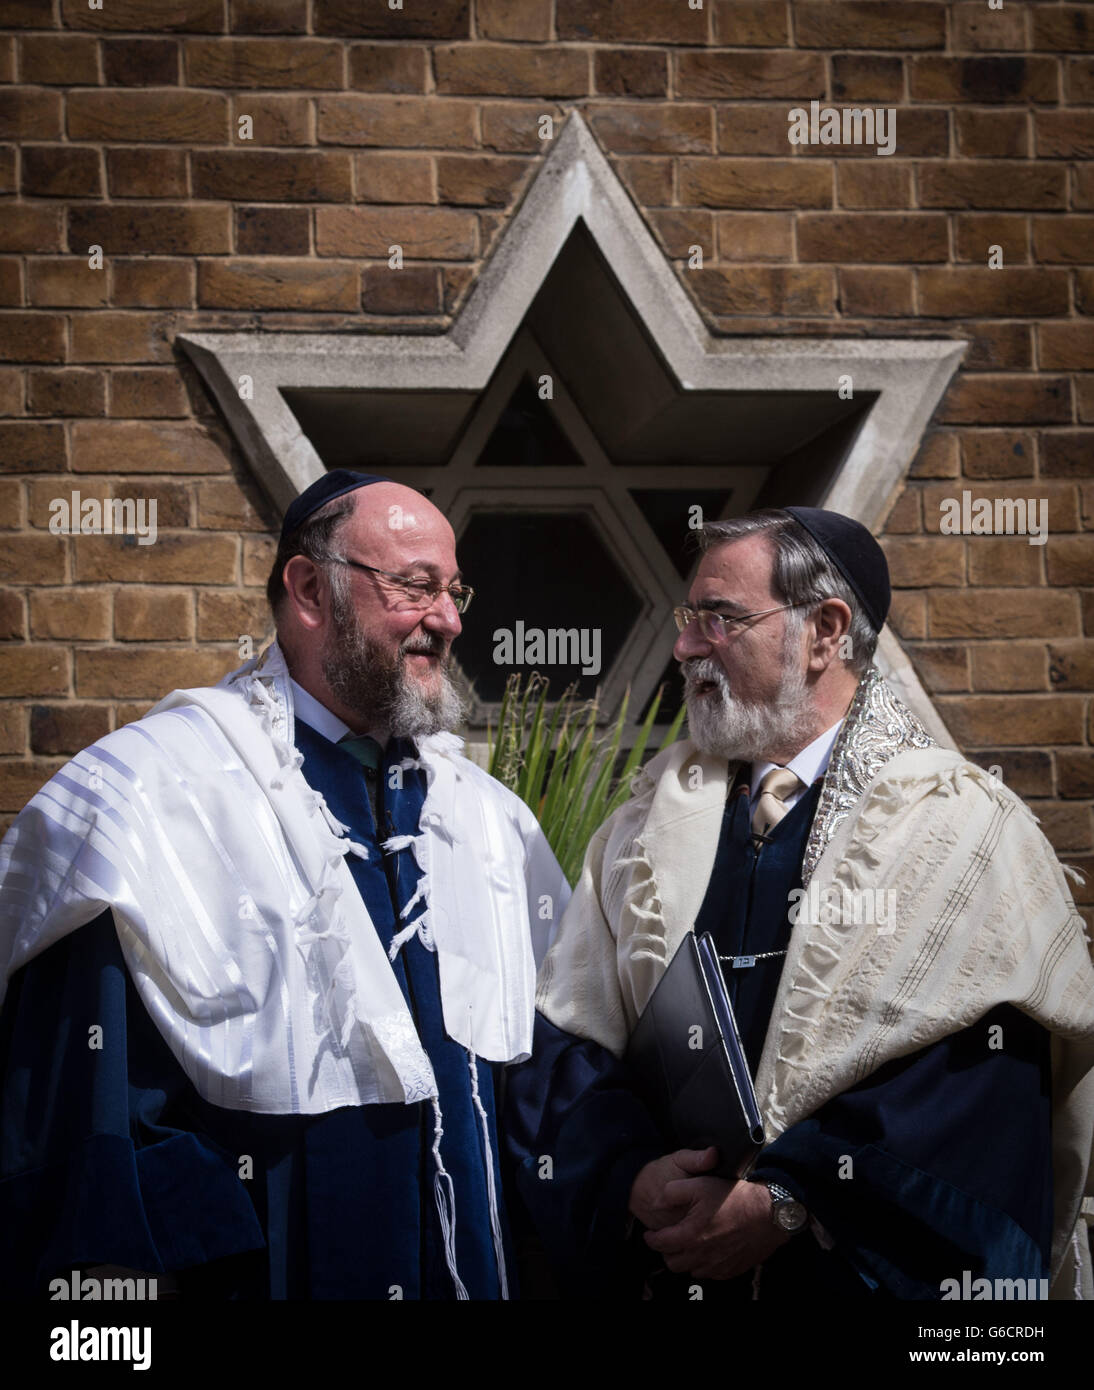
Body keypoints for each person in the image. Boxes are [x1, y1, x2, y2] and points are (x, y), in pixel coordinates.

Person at [0, 470, 569, 1300]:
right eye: (415, 587)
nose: (446, 620)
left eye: (454, 592)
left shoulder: (489, 821)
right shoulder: (147, 797)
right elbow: (99, 1116)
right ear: (309, 589)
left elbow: (538, 1078)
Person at [505, 506, 1094, 1301]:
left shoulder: (961, 831)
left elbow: (982, 1082)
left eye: (718, 619)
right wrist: (630, 1175)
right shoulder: (639, 829)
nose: (684, 647)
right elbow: (569, 1044)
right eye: (688, 619)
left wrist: (792, 1196)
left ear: (825, 631)